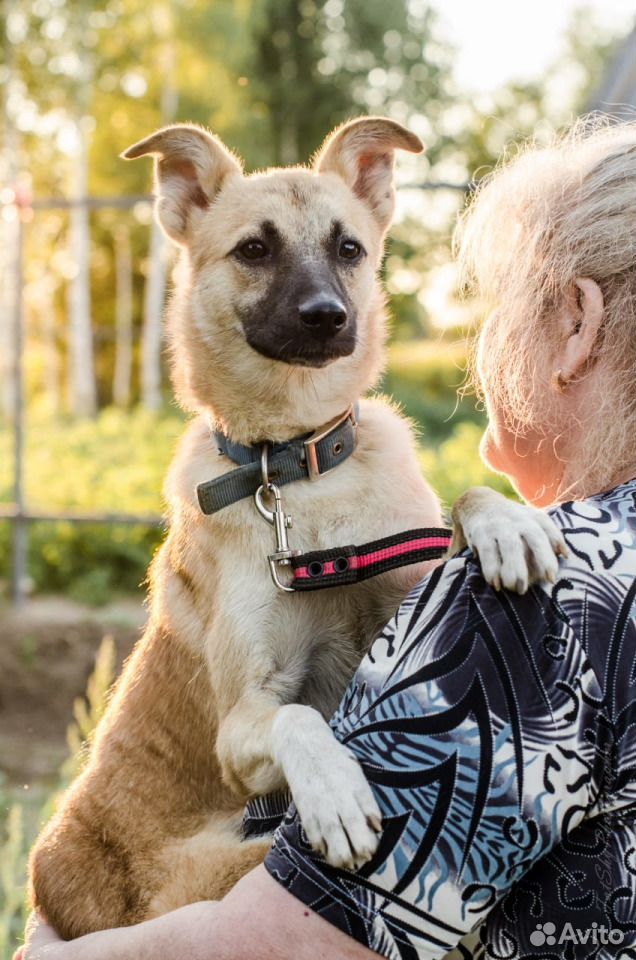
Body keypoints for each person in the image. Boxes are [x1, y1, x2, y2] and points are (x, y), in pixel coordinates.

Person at [17, 118, 636, 960]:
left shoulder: (549, 601)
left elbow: (298, 938)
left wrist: (483, 509)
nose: (319, 296)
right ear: (185, 207)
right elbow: (251, 730)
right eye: (256, 252)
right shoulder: (216, 502)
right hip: (183, 850)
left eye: (346, 253)